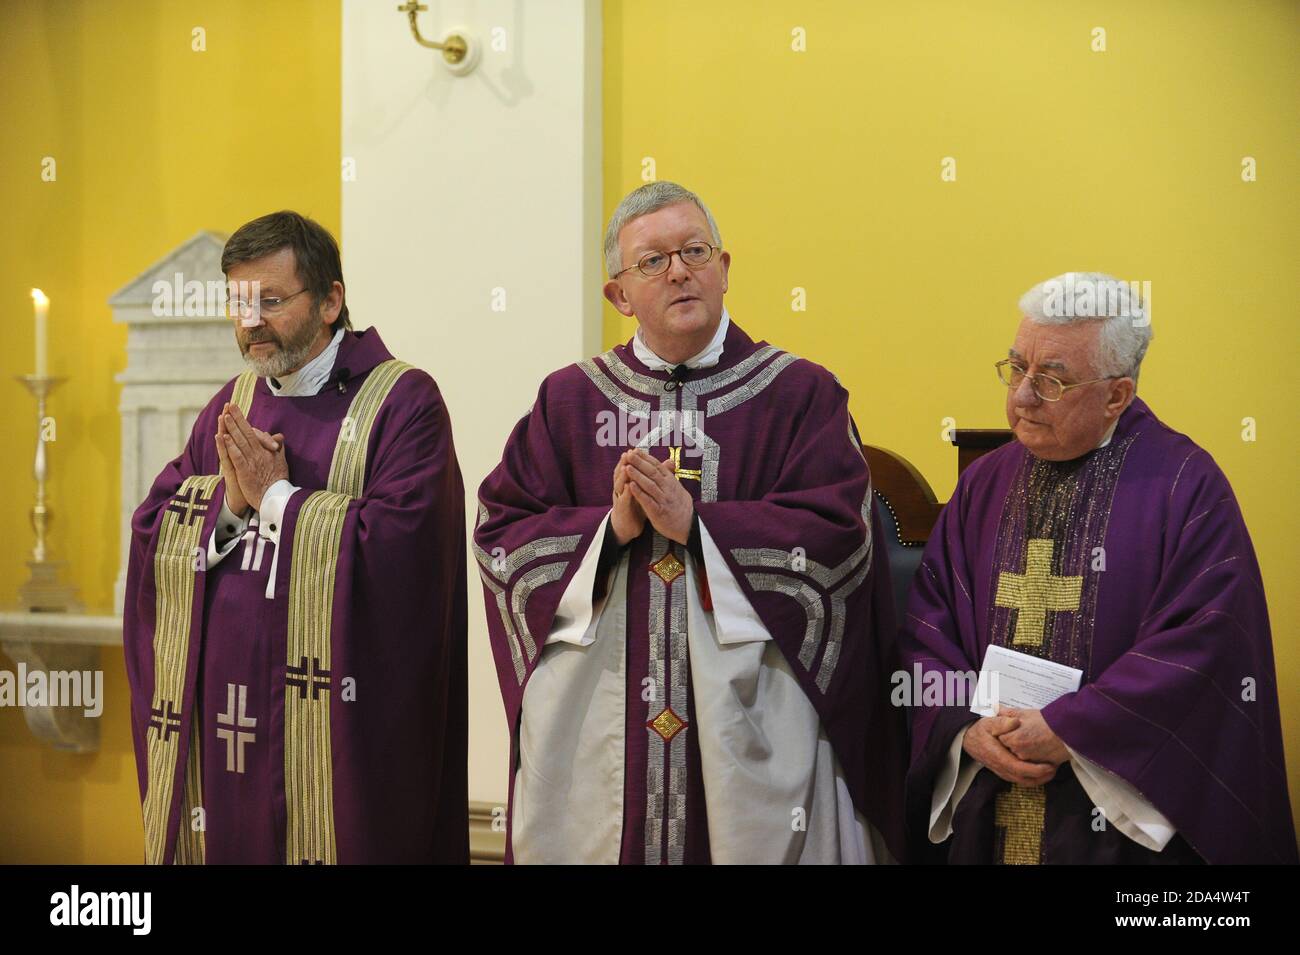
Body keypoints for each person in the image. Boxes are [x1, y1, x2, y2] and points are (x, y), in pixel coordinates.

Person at [474, 181, 908, 864]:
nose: (679, 270)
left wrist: (702, 528)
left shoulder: (798, 394)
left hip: (757, 721)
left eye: (694, 251)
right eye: (653, 261)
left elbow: (840, 541)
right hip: (605, 739)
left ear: (725, 267)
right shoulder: (569, 400)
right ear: (619, 295)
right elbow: (501, 535)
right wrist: (608, 531)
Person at [902, 272, 1296, 864]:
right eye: (1016, 369)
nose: (1022, 398)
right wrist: (964, 729)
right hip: (989, 792)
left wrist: (1072, 728)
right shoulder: (984, 484)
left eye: (1053, 381)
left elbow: (1205, 649)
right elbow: (928, 628)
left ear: (1118, 395)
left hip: (1117, 825)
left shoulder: (1185, 487)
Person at [123, 211, 468, 863]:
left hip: (343, 736)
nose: (250, 322)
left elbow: (408, 555)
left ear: (332, 300)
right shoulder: (236, 402)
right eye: (240, 303)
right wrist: (228, 499)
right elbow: (157, 529)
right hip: (231, 733)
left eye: (271, 301)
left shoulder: (402, 404)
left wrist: (278, 498)